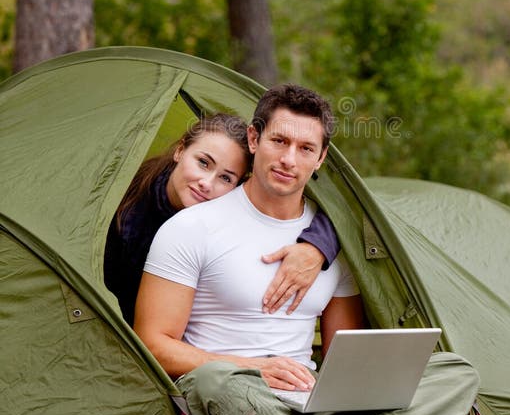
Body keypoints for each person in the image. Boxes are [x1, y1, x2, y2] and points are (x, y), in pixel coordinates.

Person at [135, 86, 480, 415]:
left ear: (321, 159)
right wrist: (255, 367)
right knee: (209, 383)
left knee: (456, 370)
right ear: (254, 139)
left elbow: (343, 350)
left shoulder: (334, 243)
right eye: (279, 141)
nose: (288, 159)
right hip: (240, 389)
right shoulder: (191, 228)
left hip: (313, 398)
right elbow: (153, 343)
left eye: (305, 148)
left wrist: (347, 388)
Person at [104, 112, 340, 326]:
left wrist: (318, 245)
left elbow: (340, 212)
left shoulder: (222, 223)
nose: (206, 183)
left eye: (226, 178)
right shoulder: (123, 206)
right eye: (203, 163)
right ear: (180, 150)